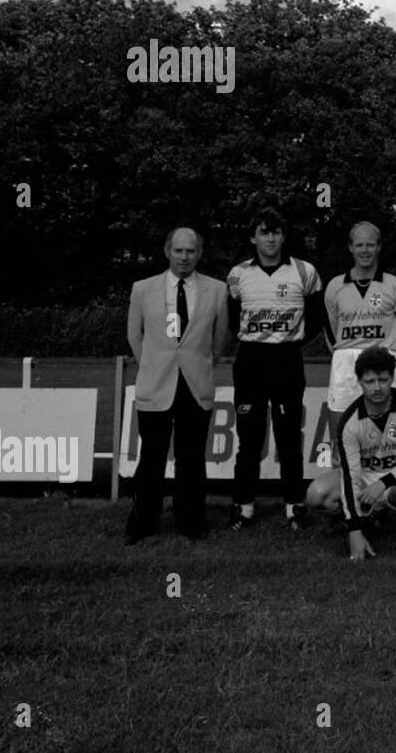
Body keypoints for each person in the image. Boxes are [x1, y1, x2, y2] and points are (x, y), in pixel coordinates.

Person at [124, 227, 230, 543]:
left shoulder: (217, 290)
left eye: (191, 251)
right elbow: (135, 336)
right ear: (167, 251)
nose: (184, 257)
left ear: (199, 253)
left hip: (195, 385)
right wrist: (156, 365)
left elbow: (218, 340)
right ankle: (143, 523)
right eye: (179, 251)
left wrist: (194, 365)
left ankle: (192, 521)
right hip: (155, 385)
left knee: (192, 458)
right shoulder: (143, 289)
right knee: (152, 458)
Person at [226, 205, 324, 533]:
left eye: (276, 232)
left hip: (287, 360)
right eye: (263, 232)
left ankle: (294, 506)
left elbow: (315, 320)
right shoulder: (238, 274)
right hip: (251, 360)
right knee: (249, 439)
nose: (270, 238)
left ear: (283, 236)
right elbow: (231, 321)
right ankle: (243, 506)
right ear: (253, 237)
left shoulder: (305, 271)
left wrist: (288, 338)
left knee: (287, 437)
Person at [306, 346, 396, 561]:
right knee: (316, 494)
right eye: (370, 381)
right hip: (364, 480)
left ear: (392, 378)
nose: (377, 388)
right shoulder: (350, 420)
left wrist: (383, 482)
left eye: (383, 380)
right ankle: (353, 520)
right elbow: (350, 475)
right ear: (359, 382)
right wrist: (353, 530)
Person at [323, 221, 396, 418]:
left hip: (384, 362)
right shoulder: (334, 286)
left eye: (370, 245)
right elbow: (330, 329)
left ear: (379, 247)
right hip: (345, 364)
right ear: (350, 247)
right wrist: (343, 352)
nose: (365, 250)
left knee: (384, 436)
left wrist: (391, 357)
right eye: (359, 245)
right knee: (342, 435)